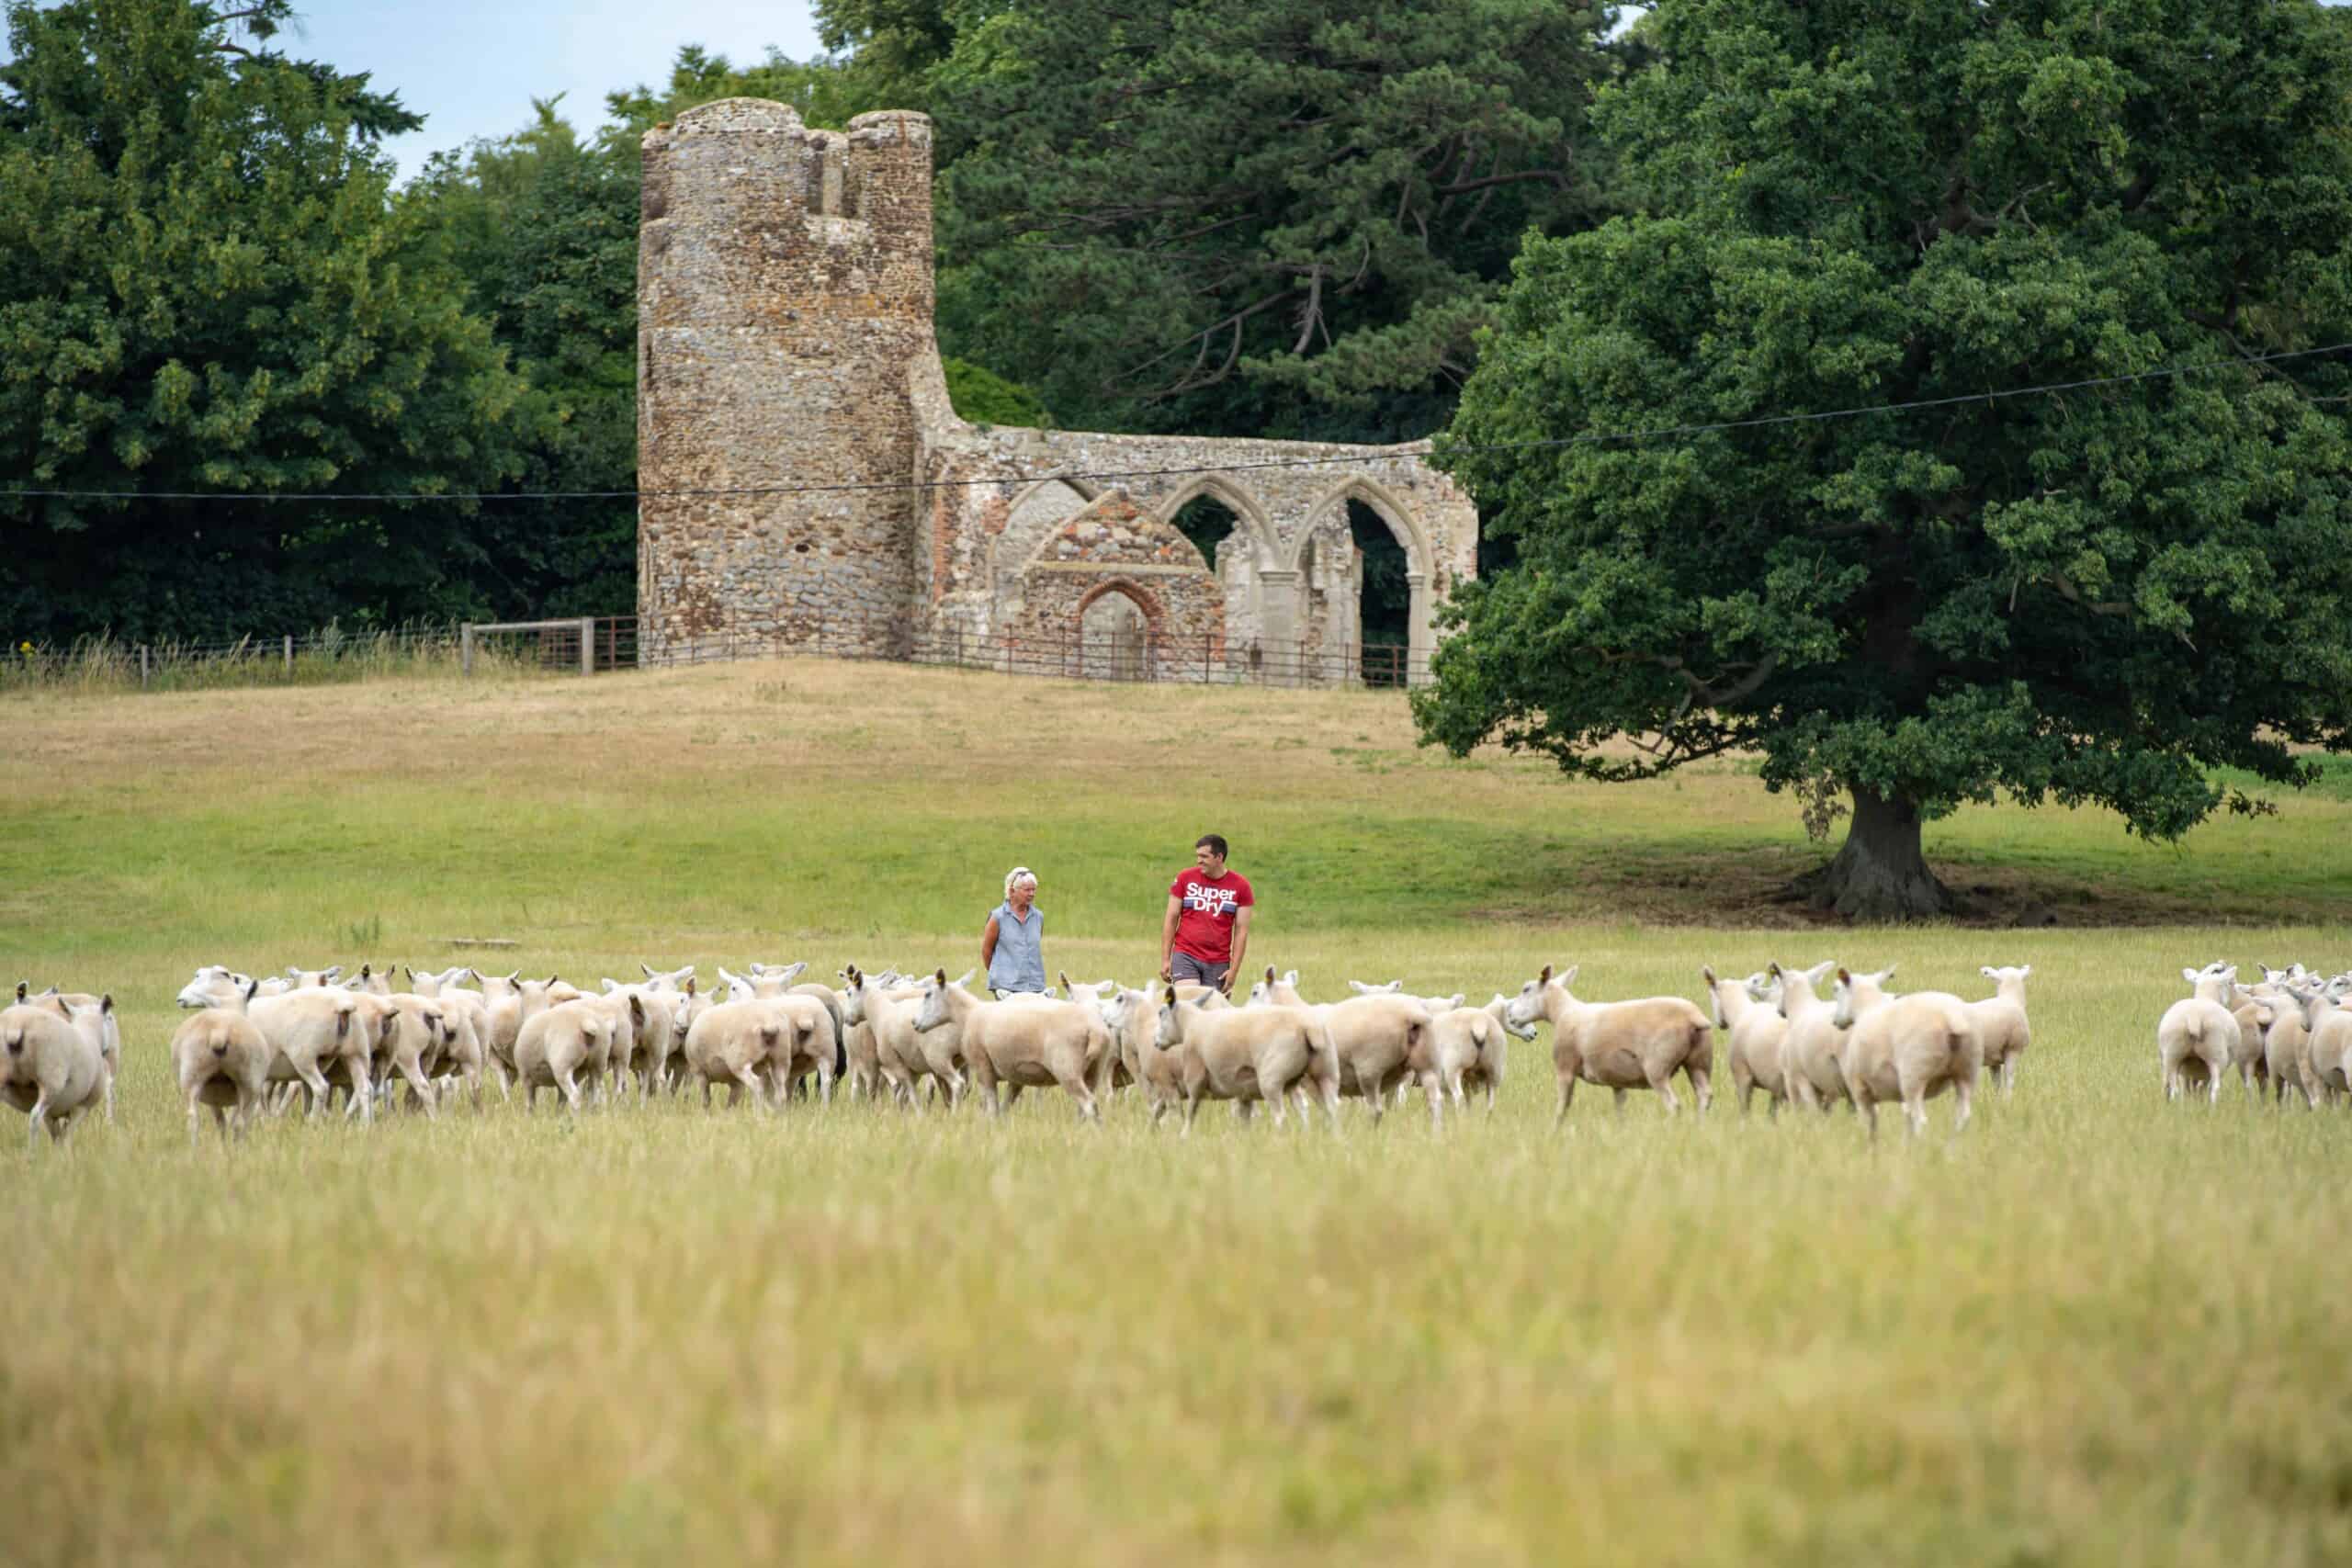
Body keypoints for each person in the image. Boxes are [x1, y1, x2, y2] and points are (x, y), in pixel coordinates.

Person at [1160, 833, 1252, 996]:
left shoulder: (1241, 886)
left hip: (1218, 961)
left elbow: (1241, 931)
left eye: (1204, 856)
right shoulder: (1185, 878)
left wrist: (1234, 970)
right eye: (1198, 856)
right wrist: (1166, 959)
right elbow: (1171, 918)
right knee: (1188, 1000)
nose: (1199, 861)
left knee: (1211, 1012)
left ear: (1219, 857)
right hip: (1185, 954)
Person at [982, 866, 1047, 998]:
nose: (1031, 894)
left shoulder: (1038, 917)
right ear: (1013, 891)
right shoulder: (997, 917)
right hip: (1006, 990)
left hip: (1034, 987)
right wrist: (1001, 976)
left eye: (1033, 889)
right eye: (1027, 890)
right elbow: (986, 951)